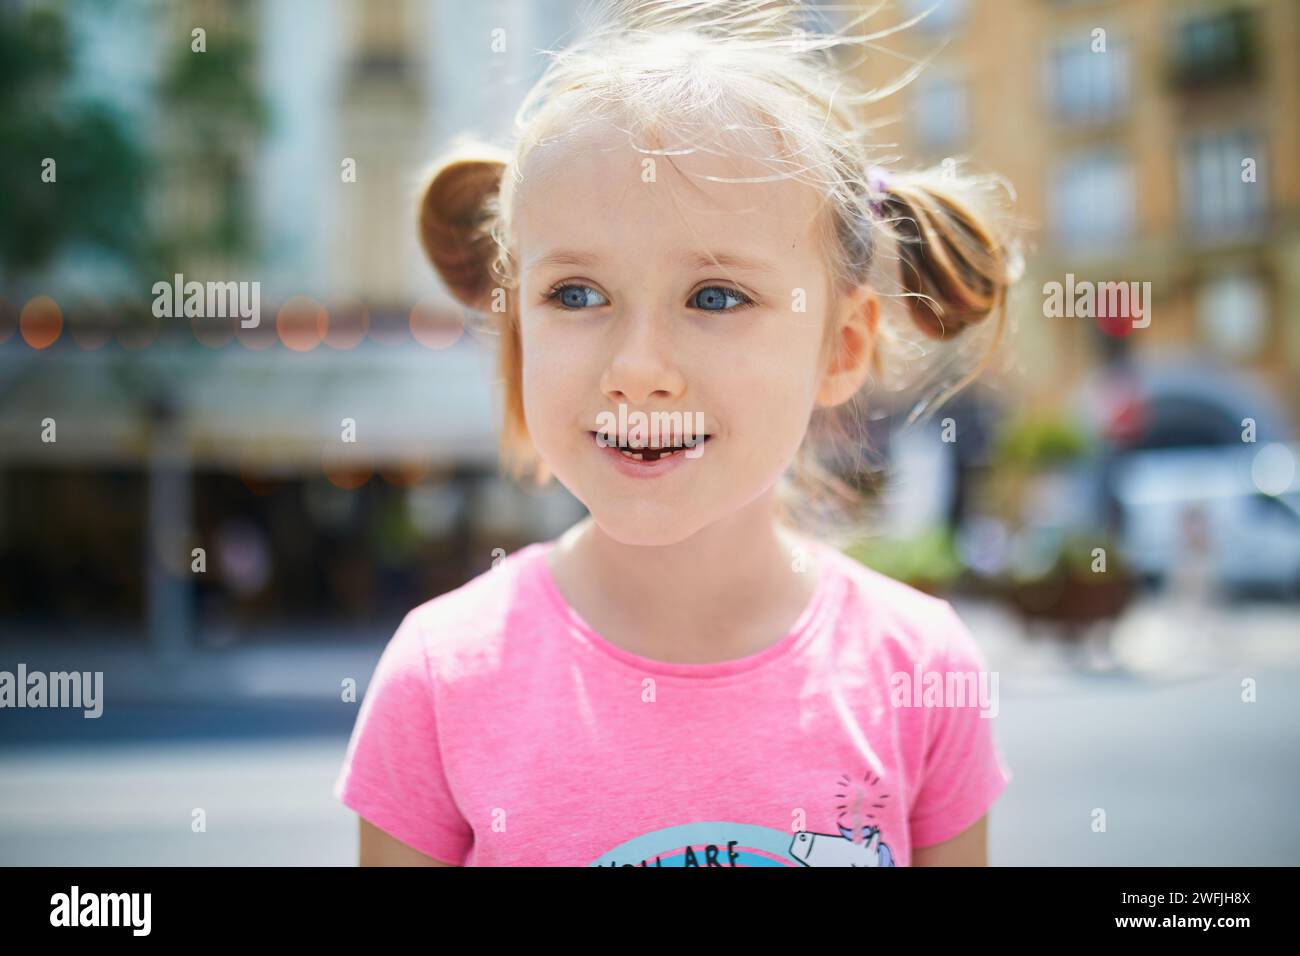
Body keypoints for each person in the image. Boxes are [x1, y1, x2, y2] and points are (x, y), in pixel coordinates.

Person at [334, 0, 1020, 867]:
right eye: (576, 294)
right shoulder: (441, 677)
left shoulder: (923, 669)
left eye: (716, 297)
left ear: (840, 347)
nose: (638, 365)